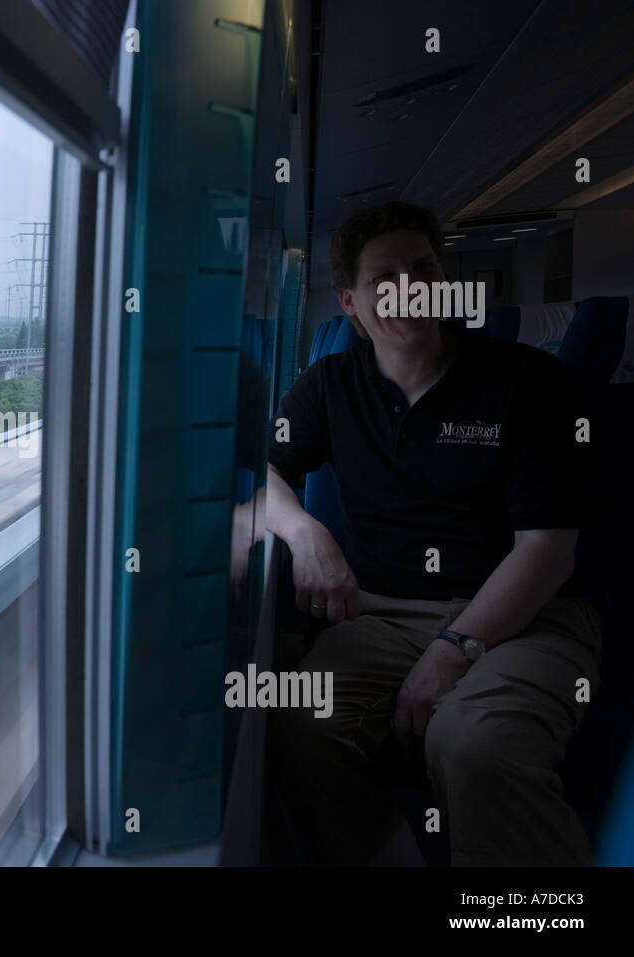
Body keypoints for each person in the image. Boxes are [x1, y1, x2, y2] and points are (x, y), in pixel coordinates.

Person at [265, 201, 601, 866]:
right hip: (383, 615)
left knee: (474, 741)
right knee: (302, 724)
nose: (410, 286)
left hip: (529, 616)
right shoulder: (329, 384)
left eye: (423, 267)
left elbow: (547, 550)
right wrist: (303, 531)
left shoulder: (529, 382)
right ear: (350, 303)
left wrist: (453, 649)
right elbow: (264, 475)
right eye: (385, 276)